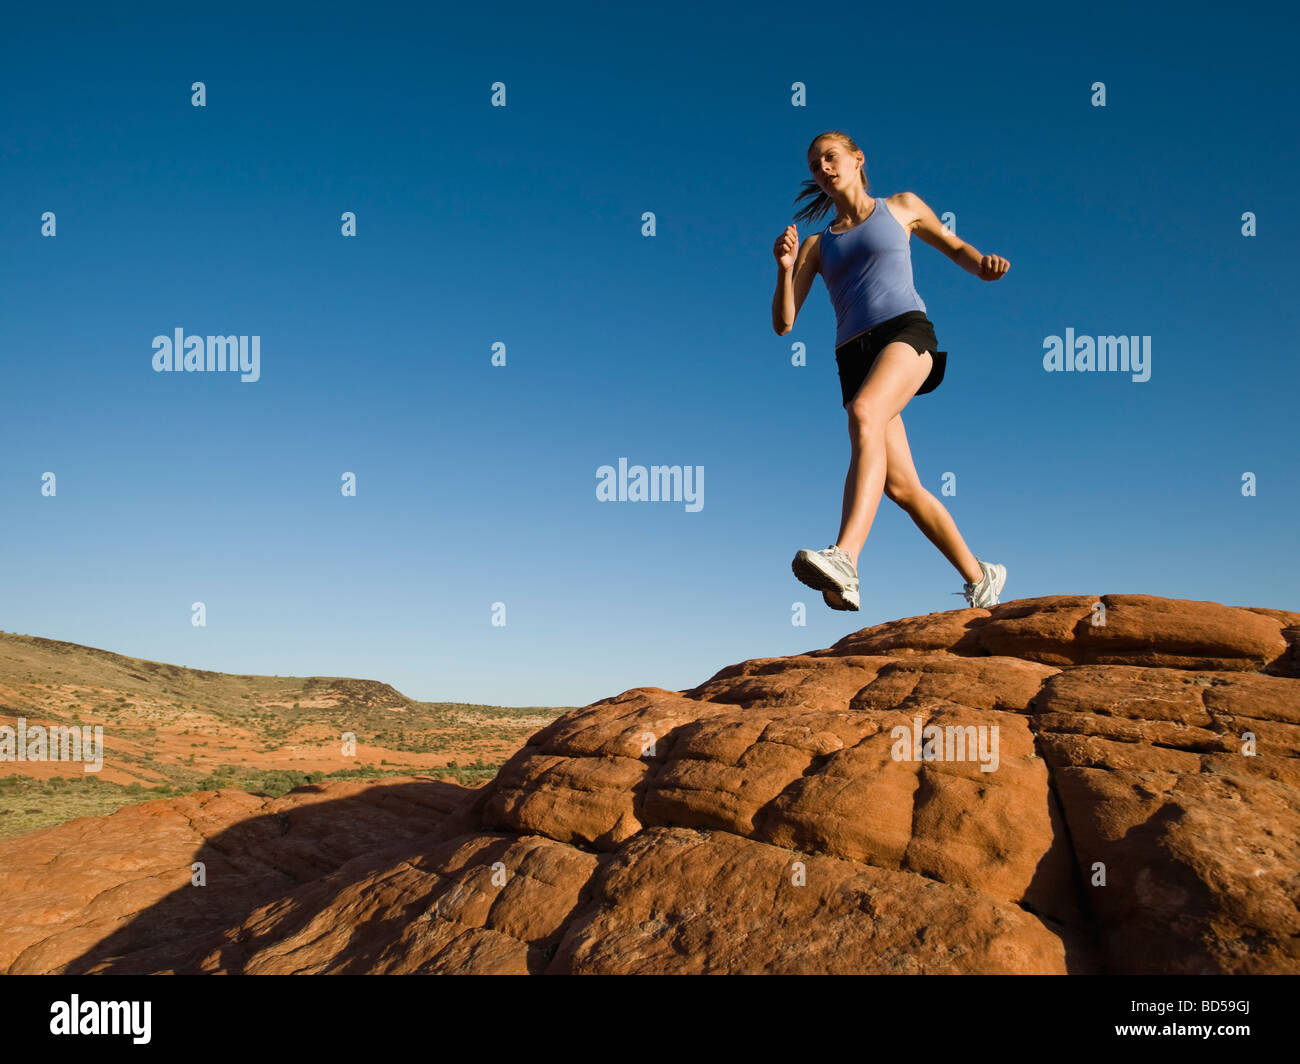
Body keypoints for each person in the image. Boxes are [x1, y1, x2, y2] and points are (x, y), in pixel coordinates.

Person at [773, 130, 1009, 612]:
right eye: (816, 165)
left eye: (831, 157)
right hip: (853, 357)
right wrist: (784, 266)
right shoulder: (818, 245)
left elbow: (954, 245)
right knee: (902, 487)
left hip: (905, 333)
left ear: (858, 158)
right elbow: (784, 323)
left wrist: (981, 266)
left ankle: (846, 559)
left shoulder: (900, 206)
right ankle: (979, 574)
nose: (824, 169)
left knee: (864, 412)